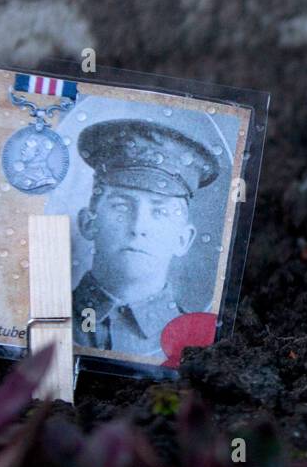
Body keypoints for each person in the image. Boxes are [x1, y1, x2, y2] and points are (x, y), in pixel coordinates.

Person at [71, 118, 220, 362]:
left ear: (183, 239)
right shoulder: (45, 315)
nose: (138, 227)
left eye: (159, 212)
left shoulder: (195, 344)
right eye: (121, 206)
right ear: (89, 223)